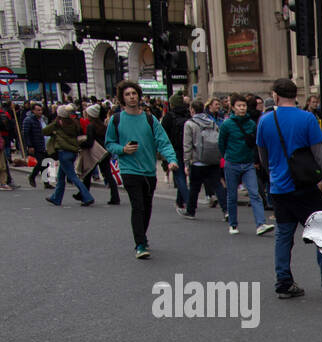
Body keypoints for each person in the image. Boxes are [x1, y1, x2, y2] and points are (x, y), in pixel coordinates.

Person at [255, 77, 322, 298]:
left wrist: (274, 176)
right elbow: (321, 156)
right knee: (321, 233)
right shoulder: (307, 118)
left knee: (283, 236)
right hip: (307, 186)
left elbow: (263, 155)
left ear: (275, 96)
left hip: (280, 187)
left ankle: (284, 282)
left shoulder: (265, 121)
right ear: (295, 95)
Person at [104, 80, 180, 258]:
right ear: (122, 98)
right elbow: (109, 143)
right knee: (137, 206)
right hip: (129, 169)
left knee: (146, 207)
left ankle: (142, 237)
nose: (131, 97)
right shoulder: (116, 119)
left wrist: (171, 160)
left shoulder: (149, 118)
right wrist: (122, 150)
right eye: (127, 94)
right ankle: (139, 244)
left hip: (148, 170)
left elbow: (163, 141)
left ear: (139, 96)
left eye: (134, 94)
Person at [219, 93, 272, 235]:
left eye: (244, 106)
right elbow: (221, 144)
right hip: (232, 163)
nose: (242, 108)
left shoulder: (251, 124)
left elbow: (256, 144)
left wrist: (255, 160)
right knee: (232, 195)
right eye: (239, 106)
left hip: (248, 163)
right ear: (233, 107)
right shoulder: (227, 124)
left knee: (255, 193)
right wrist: (228, 157)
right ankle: (233, 224)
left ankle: (260, 224)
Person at [42, 104, 95, 207]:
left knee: (73, 177)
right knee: (61, 177)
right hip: (73, 151)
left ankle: (87, 197)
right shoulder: (74, 123)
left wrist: (54, 126)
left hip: (63, 151)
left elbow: (45, 131)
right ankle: (56, 198)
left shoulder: (58, 124)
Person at [182, 99, 227, 219]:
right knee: (218, 185)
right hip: (213, 159)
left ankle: (191, 211)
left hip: (198, 160)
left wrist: (186, 162)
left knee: (194, 187)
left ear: (192, 110)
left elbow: (187, 145)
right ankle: (226, 210)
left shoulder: (190, 124)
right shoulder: (211, 122)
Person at [81, 103, 120, 204]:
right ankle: (115, 197)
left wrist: (81, 144)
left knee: (87, 175)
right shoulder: (103, 125)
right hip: (105, 152)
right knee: (108, 175)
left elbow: (90, 142)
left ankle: (85, 196)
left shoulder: (91, 126)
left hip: (95, 152)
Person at [22, 103, 47, 188]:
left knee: (46, 163)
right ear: (33, 111)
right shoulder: (28, 120)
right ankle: (32, 176)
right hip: (35, 144)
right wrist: (29, 145)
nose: (40, 112)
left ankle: (46, 182)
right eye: (38, 110)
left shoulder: (43, 119)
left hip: (44, 144)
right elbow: (26, 133)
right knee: (41, 162)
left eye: (41, 110)